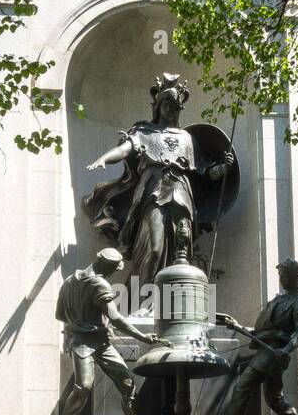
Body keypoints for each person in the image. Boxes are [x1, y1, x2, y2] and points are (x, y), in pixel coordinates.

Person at [82, 75, 235, 286]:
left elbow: (202, 173)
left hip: (182, 194)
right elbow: (125, 149)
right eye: (165, 104)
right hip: (153, 191)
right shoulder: (144, 132)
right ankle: (143, 301)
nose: (169, 109)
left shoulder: (187, 139)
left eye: (173, 105)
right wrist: (104, 159)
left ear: (179, 108)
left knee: (181, 252)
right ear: (158, 105)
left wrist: (222, 168)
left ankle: (173, 305)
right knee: (154, 249)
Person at [55, 248, 169, 415]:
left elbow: (60, 315)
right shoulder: (100, 284)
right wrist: (143, 337)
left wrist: (81, 320)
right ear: (107, 267)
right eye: (114, 270)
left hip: (100, 343)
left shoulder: (68, 282)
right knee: (83, 386)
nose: (113, 274)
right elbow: (115, 318)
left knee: (127, 384)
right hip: (83, 344)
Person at [215, 258, 298, 415]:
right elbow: (260, 332)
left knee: (241, 387)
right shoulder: (277, 300)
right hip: (265, 351)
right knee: (273, 399)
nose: (282, 279)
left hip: (273, 353)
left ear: (296, 278)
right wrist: (238, 326)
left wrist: (286, 349)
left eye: (285, 276)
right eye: (280, 276)